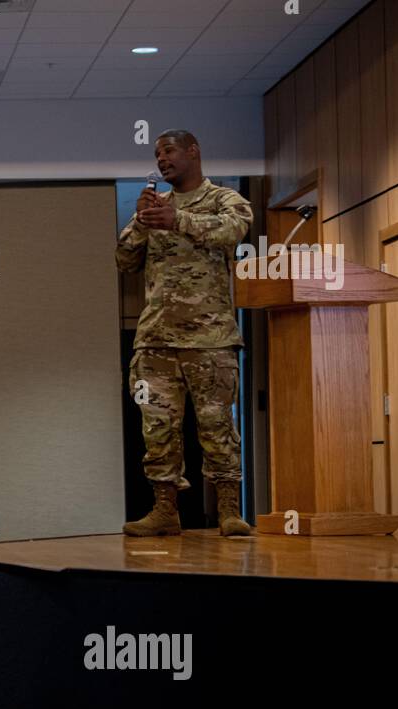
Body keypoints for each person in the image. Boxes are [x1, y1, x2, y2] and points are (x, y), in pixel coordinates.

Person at [115, 129, 253, 538]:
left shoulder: (223, 199)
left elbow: (235, 230)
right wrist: (141, 222)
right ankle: (164, 511)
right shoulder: (155, 207)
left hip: (210, 340)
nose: (162, 160)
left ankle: (229, 510)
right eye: (157, 155)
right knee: (156, 428)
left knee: (216, 426)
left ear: (193, 152)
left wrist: (180, 220)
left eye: (169, 151)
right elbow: (124, 260)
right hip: (156, 339)